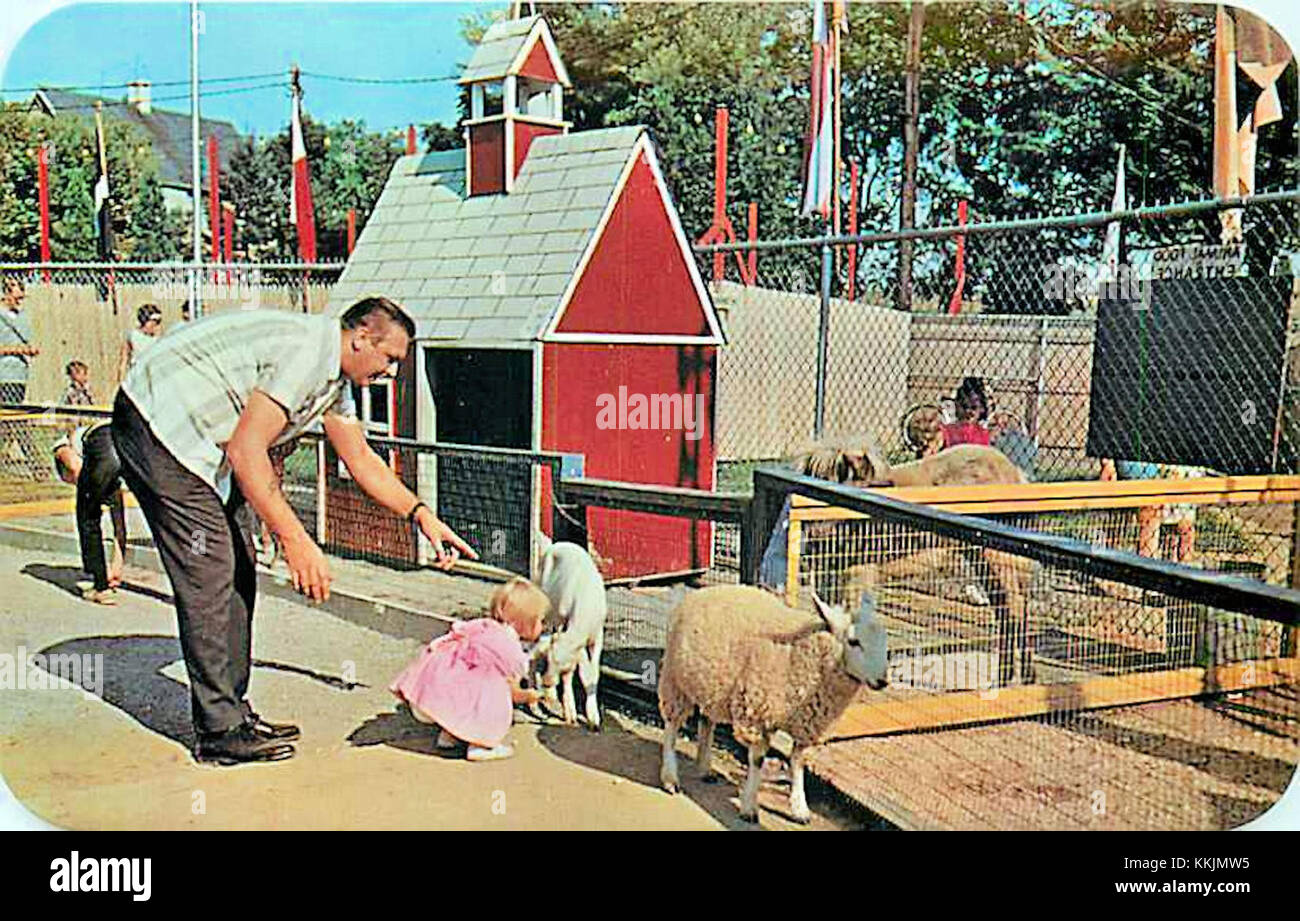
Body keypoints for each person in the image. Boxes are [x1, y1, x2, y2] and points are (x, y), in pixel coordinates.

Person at [111, 296, 478, 765]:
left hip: (200, 440)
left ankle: (233, 713)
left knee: (238, 568)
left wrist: (420, 514)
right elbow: (247, 451)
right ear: (361, 337)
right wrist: (295, 538)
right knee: (210, 569)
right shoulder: (308, 353)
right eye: (390, 359)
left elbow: (361, 458)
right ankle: (218, 731)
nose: (392, 372)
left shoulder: (335, 383)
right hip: (156, 422)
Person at [390, 577, 547, 762]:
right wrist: (528, 696)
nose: (542, 626)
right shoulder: (508, 646)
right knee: (493, 694)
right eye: (539, 620)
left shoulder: (481, 626)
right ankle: (480, 746)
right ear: (523, 622)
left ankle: (449, 736)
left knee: (468, 684)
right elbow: (512, 689)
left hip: (429, 695)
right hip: (440, 699)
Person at [53, 420, 127, 605]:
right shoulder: (111, 478)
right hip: (127, 441)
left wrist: (90, 491)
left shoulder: (62, 446)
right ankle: (198, 559)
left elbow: (75, 467)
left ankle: (100, 587)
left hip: (105, 441)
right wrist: (117, 566)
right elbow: (120, 526)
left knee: (87, 517)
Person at [0, 274, 38, 404]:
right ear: (5, 295)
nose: (20, 302)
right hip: (3, 373)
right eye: (17, 298)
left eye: (21, 298)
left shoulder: (23, 317)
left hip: (19, 374)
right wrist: (18, 350)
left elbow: (26, 341)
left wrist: (30, 349)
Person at [941, 376, 992, 448]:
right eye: (964, 407)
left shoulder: (983, 434)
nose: (969, 412)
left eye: (974, 408)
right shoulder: (947, 432)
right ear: (956, 406)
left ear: (981, 409)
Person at [117, 303, 163, 382]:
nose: (155, 325)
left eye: (158, 322)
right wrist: (121, 381)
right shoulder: (133, 336)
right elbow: (123, 361)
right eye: (154, 321)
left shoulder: (158, 339)